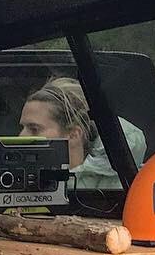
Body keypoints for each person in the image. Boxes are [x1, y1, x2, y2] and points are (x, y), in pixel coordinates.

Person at [18, 76, 147, 192]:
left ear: (73, 134)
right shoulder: (19, 182)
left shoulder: (127, 185)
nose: (21, 137)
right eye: (22, 128)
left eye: (34, 129)